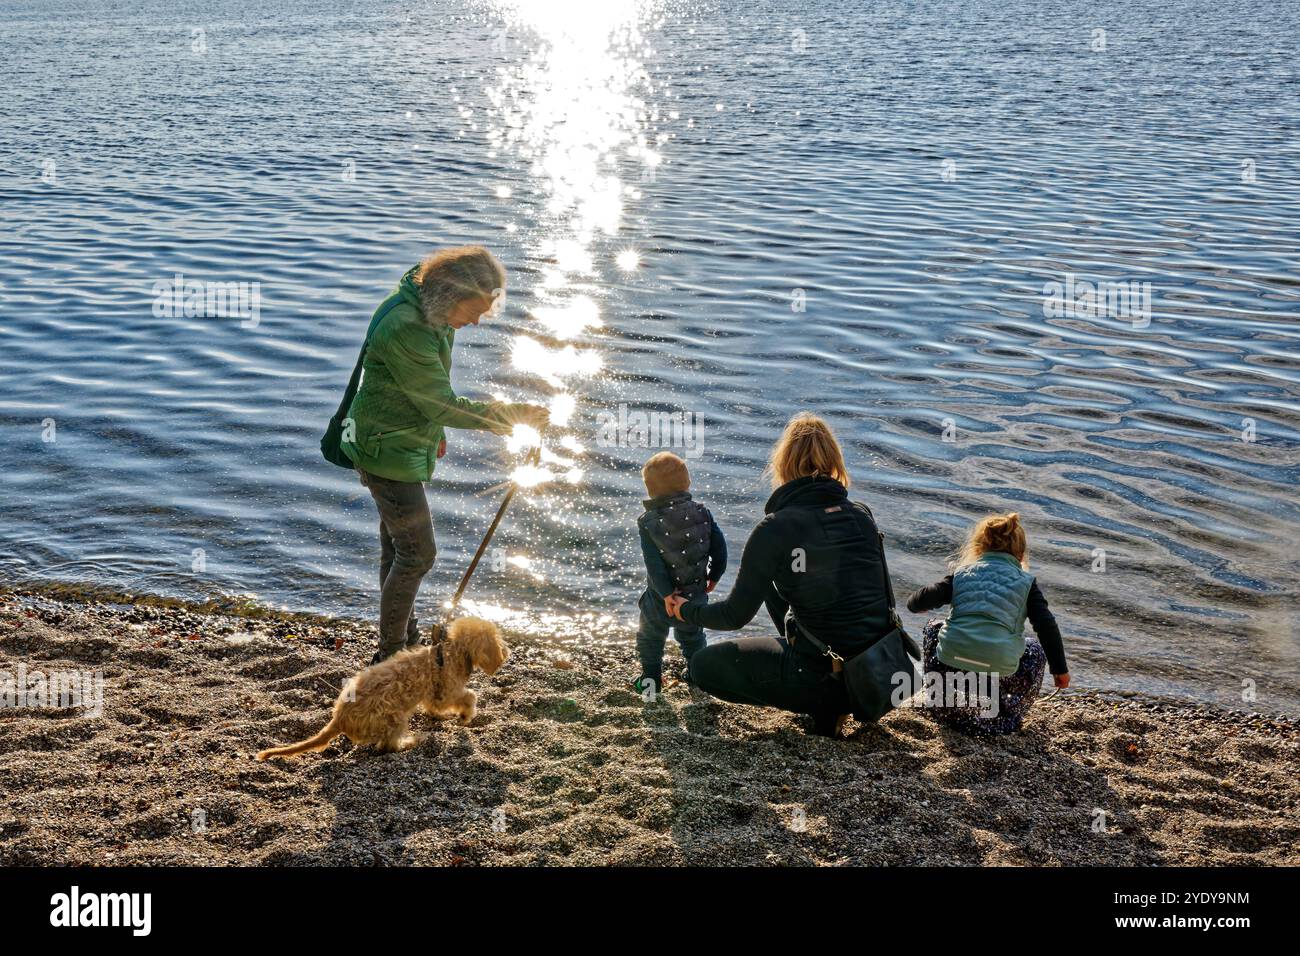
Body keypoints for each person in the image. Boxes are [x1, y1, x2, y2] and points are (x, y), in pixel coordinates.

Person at [342, 246, 548, 663]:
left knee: (399, 550)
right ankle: (391, 655)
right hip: (386, 451)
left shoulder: (432, 311)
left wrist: (432, 432)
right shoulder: (406, 327)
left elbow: (425, 394)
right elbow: (438, 402)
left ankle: (403, 640)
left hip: (399, 439)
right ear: (448, 293)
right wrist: (514, 416)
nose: (475, 322)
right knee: (418, 553)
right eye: (472, 311)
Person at [666, 413, 894, 736]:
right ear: (834, 462)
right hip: (877, 674)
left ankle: (823, 702)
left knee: (702, 666)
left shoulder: (775, 529)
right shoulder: (862, 516)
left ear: (783, 465)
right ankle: (832, 696)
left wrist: (686, 610)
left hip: (821, 679)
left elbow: (734, 615)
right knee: (785, 585)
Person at [905, 512, 1069, 735]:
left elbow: (915, 602)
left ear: (979, 548)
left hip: (951, 660)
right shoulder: (1027, 584)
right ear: (1020, 554)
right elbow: (1046, 626)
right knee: (1035, 650)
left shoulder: (962, 574)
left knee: (934, 627)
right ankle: (1010, 713)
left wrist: (922, 605)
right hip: (1000, 667)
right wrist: (1059, 670)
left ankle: (938, 698)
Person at [634, 452, 727, 697]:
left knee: (651, 639)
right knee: (693, 638)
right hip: (693, 596)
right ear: (687, 484)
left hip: (659, 600)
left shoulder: (649, 523)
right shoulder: (703, 513)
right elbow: (720, 547)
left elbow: (653, 564)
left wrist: (666, 594)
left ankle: (651, 682)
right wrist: (715, 575)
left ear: (650, 491)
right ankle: (697, 678)